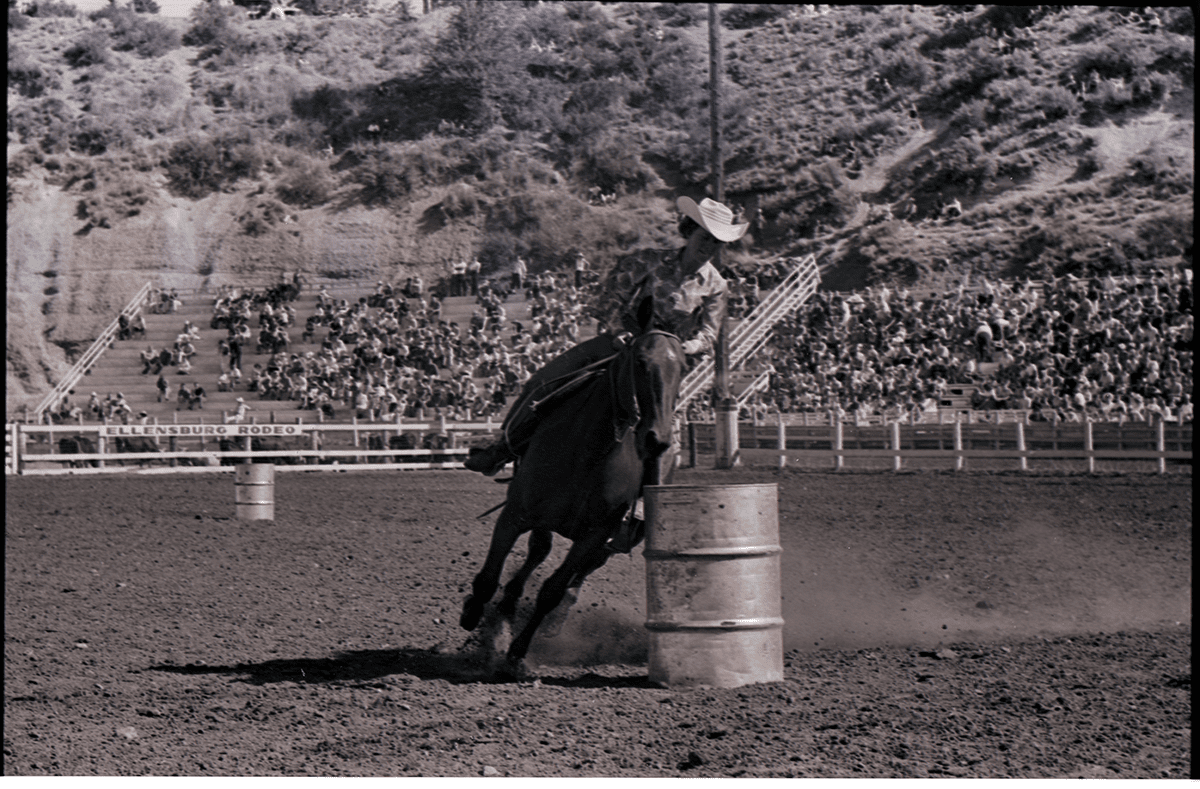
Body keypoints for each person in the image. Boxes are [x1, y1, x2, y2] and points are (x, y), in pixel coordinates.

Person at [465, 196, 748, 476]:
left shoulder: (717, 286)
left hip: (666, 360)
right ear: (689, 231)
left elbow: (710, 333)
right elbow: (610, 296)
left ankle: (650, 496)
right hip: (622, 342)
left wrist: (686, 346)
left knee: (661, 425)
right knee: (546, 380)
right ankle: (502, 448)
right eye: (705, 237)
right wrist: (620, 330)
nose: (709, 247)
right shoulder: (648, 260)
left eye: (716, 242)